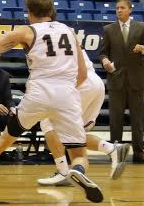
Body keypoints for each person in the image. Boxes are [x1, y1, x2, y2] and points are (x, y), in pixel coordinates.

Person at [0, 0, 102, 202]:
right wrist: (66, 95)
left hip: (38, 94)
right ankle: (78, 172)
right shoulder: (70, 32)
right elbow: (82, 75)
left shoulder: (27, 32)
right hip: (66, 95)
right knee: (78, 153)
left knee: (4, 140)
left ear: (29, 12)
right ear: (51, 10)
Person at [37, 47, 131, 186]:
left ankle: (62, 172)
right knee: (73, 134)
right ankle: (110, 149)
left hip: (78, 83)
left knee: (47, 122)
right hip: (95, 83)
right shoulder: (67, 33)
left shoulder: (42, 39)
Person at [98, 0, 144, 163]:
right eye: (117, 8)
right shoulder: (108, 29)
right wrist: (104, 61)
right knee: (115, 120)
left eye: (122, 8)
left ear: (130, 9)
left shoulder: (141, 28)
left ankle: (139, 154)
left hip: (136, 80)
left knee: (137, 120)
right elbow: (102, 52)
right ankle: (116, 153)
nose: (119, 10)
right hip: (116, 80)